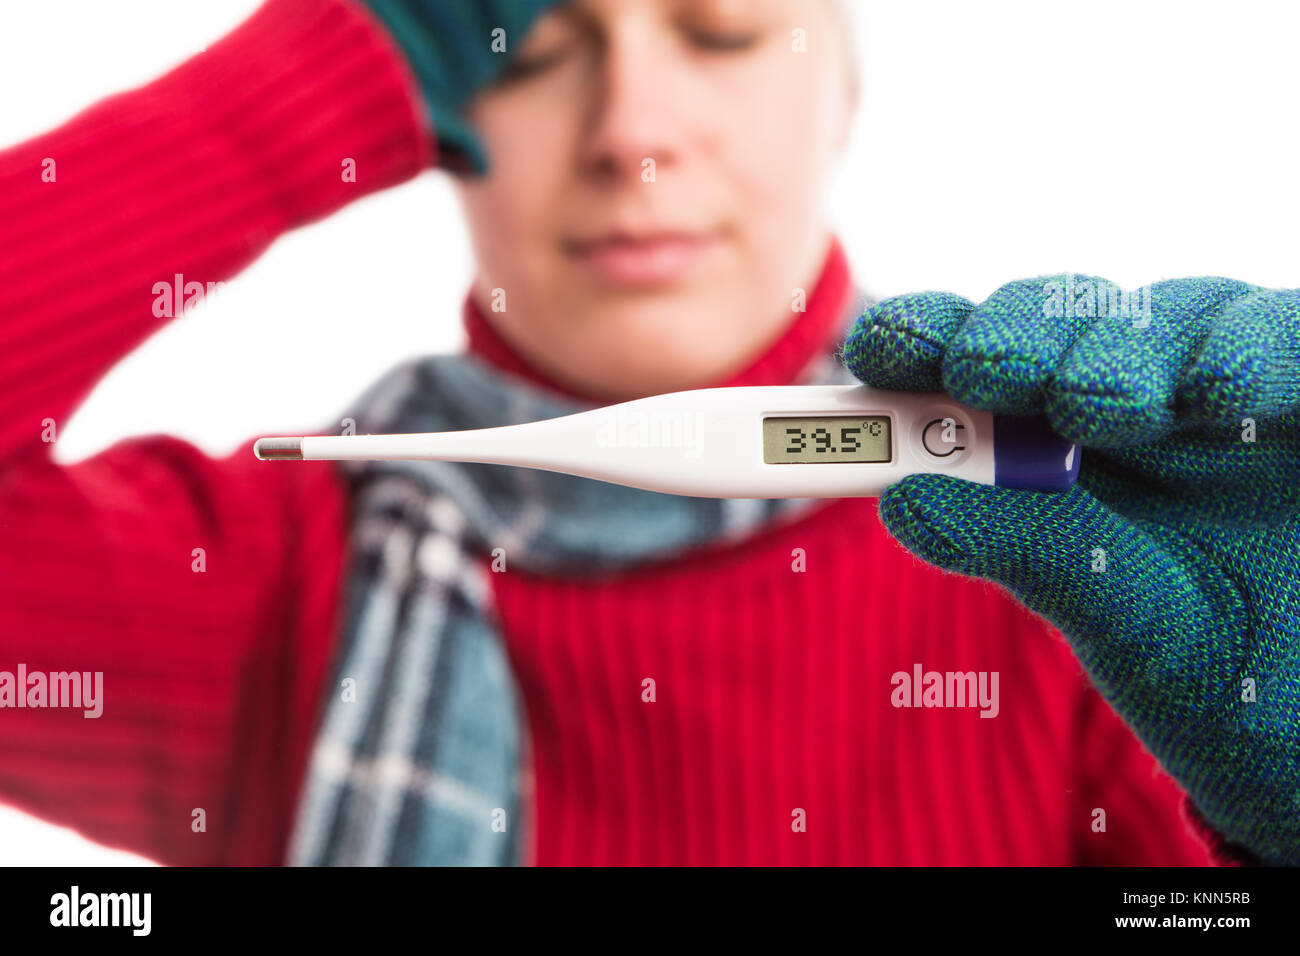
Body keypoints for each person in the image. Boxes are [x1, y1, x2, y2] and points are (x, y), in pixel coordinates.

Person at [0, 0, 1292, 866]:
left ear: (844, 89)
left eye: (722, 28)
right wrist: (315, 78)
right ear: (436, 129)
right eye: (532, 50)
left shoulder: (1097, 554)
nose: (632, 136)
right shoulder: (256, 593)